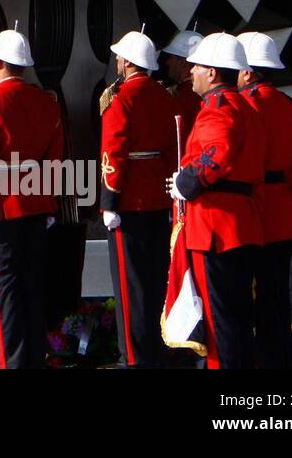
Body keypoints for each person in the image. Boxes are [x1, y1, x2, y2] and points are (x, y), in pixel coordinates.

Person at [0, 28, 64, 369]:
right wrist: (48, 201)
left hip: (2, 210)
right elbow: (55, 158)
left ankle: (14, 364)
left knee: (5, 293)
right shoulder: (46, 101)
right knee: (32, 289)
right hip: (36, 206)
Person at [168, 33, 264, 369]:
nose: (190, 71)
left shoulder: (218, 109)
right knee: (236, 321)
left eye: (196, 66)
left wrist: (186, 182)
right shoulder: (247, 106)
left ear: (211, 72)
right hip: (239, 224)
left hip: (216, 229)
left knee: (221, 324)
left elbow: (216, 155)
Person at [99, 29, 178, 368]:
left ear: (129, 62)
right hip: (159, 199)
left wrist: (109, 201)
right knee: (156, 278)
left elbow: (113, 152)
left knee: (130, 288)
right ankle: (159, 350)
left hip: (129, 200)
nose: (117, 60)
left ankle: (133, 356)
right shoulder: (164, 96)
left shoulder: (122, 99)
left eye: (120, 56)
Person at [237, 31, 292, 368]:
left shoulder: (246, 104)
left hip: (257, 209)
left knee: (254, 294)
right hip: (283, 210)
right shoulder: (285, 103)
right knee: (277, 295)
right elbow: (291, 166)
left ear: (248, 71)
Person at [159, 30, 203, 149]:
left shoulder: (182, 95)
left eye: (171, 57)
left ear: (183, 62)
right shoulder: (198, 92)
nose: (168, 62)